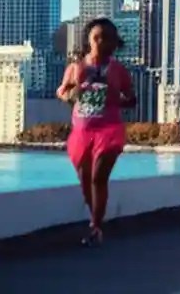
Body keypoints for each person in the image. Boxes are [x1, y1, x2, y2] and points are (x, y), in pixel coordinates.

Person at [58, 18, 135, 247]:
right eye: (97, 37)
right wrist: (71, 95)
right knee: (85, 181)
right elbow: (62, 91)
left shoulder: (119, 70)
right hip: (82, 130)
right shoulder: (75, 68)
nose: (101, 42)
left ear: (115, 42)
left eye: (107, 38)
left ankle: (95, 227)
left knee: (98, 177)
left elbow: (131, 99)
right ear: (89, 40)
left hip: (108, 129)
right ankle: (96, 220)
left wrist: (117, 98)